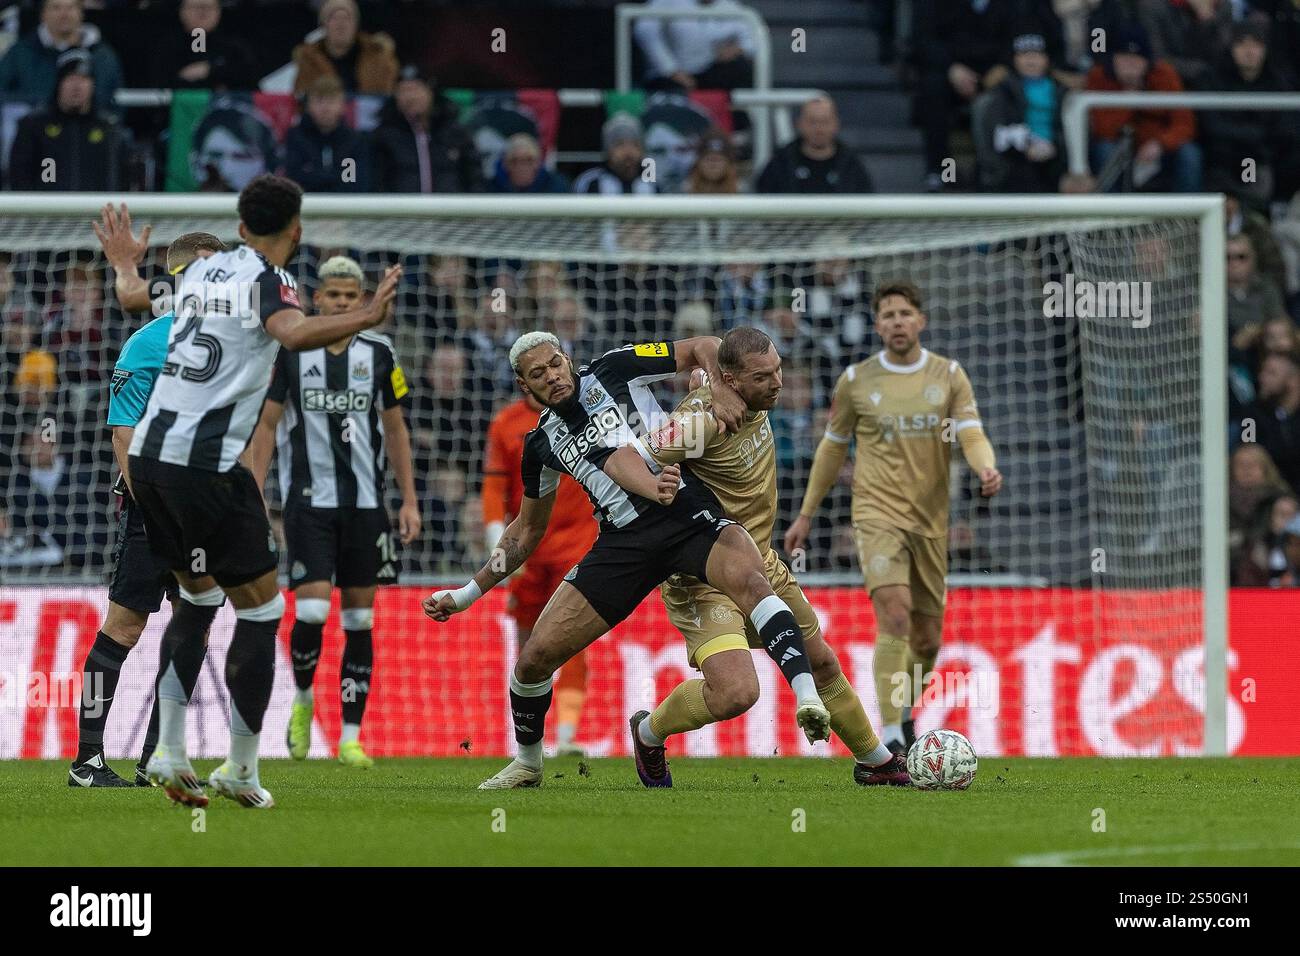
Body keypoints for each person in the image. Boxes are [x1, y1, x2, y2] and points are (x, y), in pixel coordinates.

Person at [424, 333, 832, 789]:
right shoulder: (540, 444)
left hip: (685, 513)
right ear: (524, 385)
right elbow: (525, 531)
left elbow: (702, 344)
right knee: (534, 660)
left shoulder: (615, 367)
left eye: (556, 364)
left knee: (753, 581)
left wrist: (717, 386)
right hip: (623, 544)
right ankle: (529, 763)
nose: (553, 376)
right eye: (538, 374)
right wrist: (467, 593)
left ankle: (807, 698)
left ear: (567, 358)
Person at [128, 174, 400, 809]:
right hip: (206, 466)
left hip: (150, 460)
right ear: (295, 229)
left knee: (195, 600)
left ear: (240, 222)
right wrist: (365, 313)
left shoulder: (202, 270)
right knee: (261, 612)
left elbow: (134, 295)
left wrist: (122, 262)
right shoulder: (266, 279)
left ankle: (169, 750)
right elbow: (293, 333)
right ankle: (241, 768)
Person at [614, 328, 909, 787]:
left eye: (778, 370)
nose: (777, 383)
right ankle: (649, 732)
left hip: (762, 563)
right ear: (731, 380)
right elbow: (627, 457)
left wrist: (707, 382)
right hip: (705, 575)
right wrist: (652, 487)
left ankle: (877, 762)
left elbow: (708, 345)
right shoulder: (701, 423)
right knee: (736, 694)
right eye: (763, 376)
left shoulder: (750, 397)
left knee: (823, 661)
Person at [785, 280, 1002, 754]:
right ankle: (890, 735)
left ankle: (903, 713)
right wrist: (805, 514)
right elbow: (831, 449)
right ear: (877, 324)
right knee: (895, 614)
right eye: (888, 315)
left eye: (905, 313)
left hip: (930, 521)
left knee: (925, 639)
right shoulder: (857, 381)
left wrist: (985, 465)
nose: (897, 321)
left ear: (920, 320)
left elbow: (971, 432)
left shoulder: (949, 375)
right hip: (876, 515)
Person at [68, 216, 226, 787]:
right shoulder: (149, 342)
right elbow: (123, 434)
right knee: (123, 628)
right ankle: (87, 760)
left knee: (193, 629)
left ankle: (160, 759)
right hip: (153, 511)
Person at [245, 256, 420, 770]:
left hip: (367, 508)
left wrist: (408, 500)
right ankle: (302, 701)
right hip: (309, 506)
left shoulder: (381, 353)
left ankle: (349, 736)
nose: (342, 303)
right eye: (334, 295)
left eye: (351, 296)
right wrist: (255, 493)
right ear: (316, 298)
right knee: (315, 611)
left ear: (361, 300)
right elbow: (267, 427)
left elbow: (396, 430)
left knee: (360, 619)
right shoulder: (293, 353)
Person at [482, 392, 598, 756]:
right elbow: (494, 488)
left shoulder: (589, 411)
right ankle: (530, 733)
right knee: (528, 645)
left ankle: (565, 737)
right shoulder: (506, 423)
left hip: (577, 544)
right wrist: (495, 547)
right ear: (522, 379)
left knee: (572, 637)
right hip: (527, 550)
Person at [1194, 18, 1300, 205]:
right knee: (1233, 173)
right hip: (1223, 156)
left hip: (1262, 157)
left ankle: (1261, 216)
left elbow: (1286, 128)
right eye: (1242, 44)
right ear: (1232, 48)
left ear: (1265, 49)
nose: (1249, 51)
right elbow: (1211, 125)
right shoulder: (1213, 79)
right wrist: (1256, 135)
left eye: (1256, 45)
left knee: (1258, 173)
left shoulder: (1278, 82)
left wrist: (1260, 142)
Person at [1086, 22, 1201, 192]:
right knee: (1104, 150)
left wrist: (1160, 144)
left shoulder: (1164, 75)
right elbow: (1100, 129)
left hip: (1157, 148)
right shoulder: (1099, 77)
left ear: (1147, 61)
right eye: (1124, 57)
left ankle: (1189, 215)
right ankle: (1111, 214)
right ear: (1113, 59)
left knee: (1189, 154)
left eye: (1136, 59)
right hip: (1117, 145)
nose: (1130, 64)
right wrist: (1126, 101)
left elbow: (1185, 124)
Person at [7, 49, 127, 191]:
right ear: (59, 83)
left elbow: (121, 179)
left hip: (96, 211)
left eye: (83, 78)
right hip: (46, 211)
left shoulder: (109, 127)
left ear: (93, 85)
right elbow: (19, 178)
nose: (77, 86)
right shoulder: (33, 126)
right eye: (70, 78)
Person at [976, 31, 1067, 193]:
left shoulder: (1060, 90)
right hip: (1018, 159)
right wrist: (1026, 147)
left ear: (1047, 59)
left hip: (1056, 158)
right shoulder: (1004, 90)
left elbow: (1069, 129)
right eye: (1024, 55)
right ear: (1014, 59)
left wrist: (1056, 147)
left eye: (1037, 55)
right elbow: (997, 132)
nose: (1031, 60)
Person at [371, 65, 482, 193]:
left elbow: (475, 179)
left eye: (416, 89)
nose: (410, 97)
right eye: (403, 90)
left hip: (450, 211)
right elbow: (377, 183)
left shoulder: (456, 132)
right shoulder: (384, 136)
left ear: (430, 91)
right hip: (401, 211)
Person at [0, 0, 122, 114]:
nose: (64, 14)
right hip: (33, 129)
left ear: (81, 12)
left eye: (70, 7)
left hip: (91, 130)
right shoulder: (20, 53)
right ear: (43, 14)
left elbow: (116, 98)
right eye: (56, 8)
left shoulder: (102, 55)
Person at [755, 96, 874, 194]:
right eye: (812, 122)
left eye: (825, 122)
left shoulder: (850, 165)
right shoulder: (781, 162)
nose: (819, 129)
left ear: (836, 124)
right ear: (799, 124)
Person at [633, 0, 757, 92]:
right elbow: (645, 31)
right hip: (669, 76)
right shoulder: (667, 2)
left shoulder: (730, 6)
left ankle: (740, 124)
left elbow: (752, 41)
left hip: (709, 71)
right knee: (670, 89)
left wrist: (737, 49)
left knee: (740, 69)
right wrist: (671, 70)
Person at [292, 0, 399, 96]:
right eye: (334, 18)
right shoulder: (308, 61)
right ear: (324, 25)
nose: (341, 24)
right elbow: (302, 98)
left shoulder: (378, 55)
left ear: (355, 24)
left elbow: (391, 94)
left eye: (346, 18)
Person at [284, 75, 371, 192]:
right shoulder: (296, 137)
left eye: (331, 101)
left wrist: (317, 175)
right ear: (308, 106)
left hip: (346, 207)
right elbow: (294, 179)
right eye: (319, 101)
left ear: (342, 106)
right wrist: (334, 176)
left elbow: (354, 181)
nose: (325, 108)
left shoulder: (355, 141)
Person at [151, 0, 256, 92]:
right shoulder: (168, 46)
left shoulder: (234, 46)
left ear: (218, 12)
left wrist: (211, 71)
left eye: (208, 7)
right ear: (182, 11)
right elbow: (160, 81)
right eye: (196, 7)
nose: (203, 12)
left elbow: (249, 76)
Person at [573, 112, 659, 195]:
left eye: (635, 144)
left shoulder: (653, 184)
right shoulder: (590, 183)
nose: (628, 152)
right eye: (620, 144)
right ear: (608, 150)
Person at [488, 133, 569, 194]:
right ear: (505, 164)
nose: (522, 166)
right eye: (514, 160)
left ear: (538, 162)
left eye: (529, 160)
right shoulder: (489, 191)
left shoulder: (558, 189)